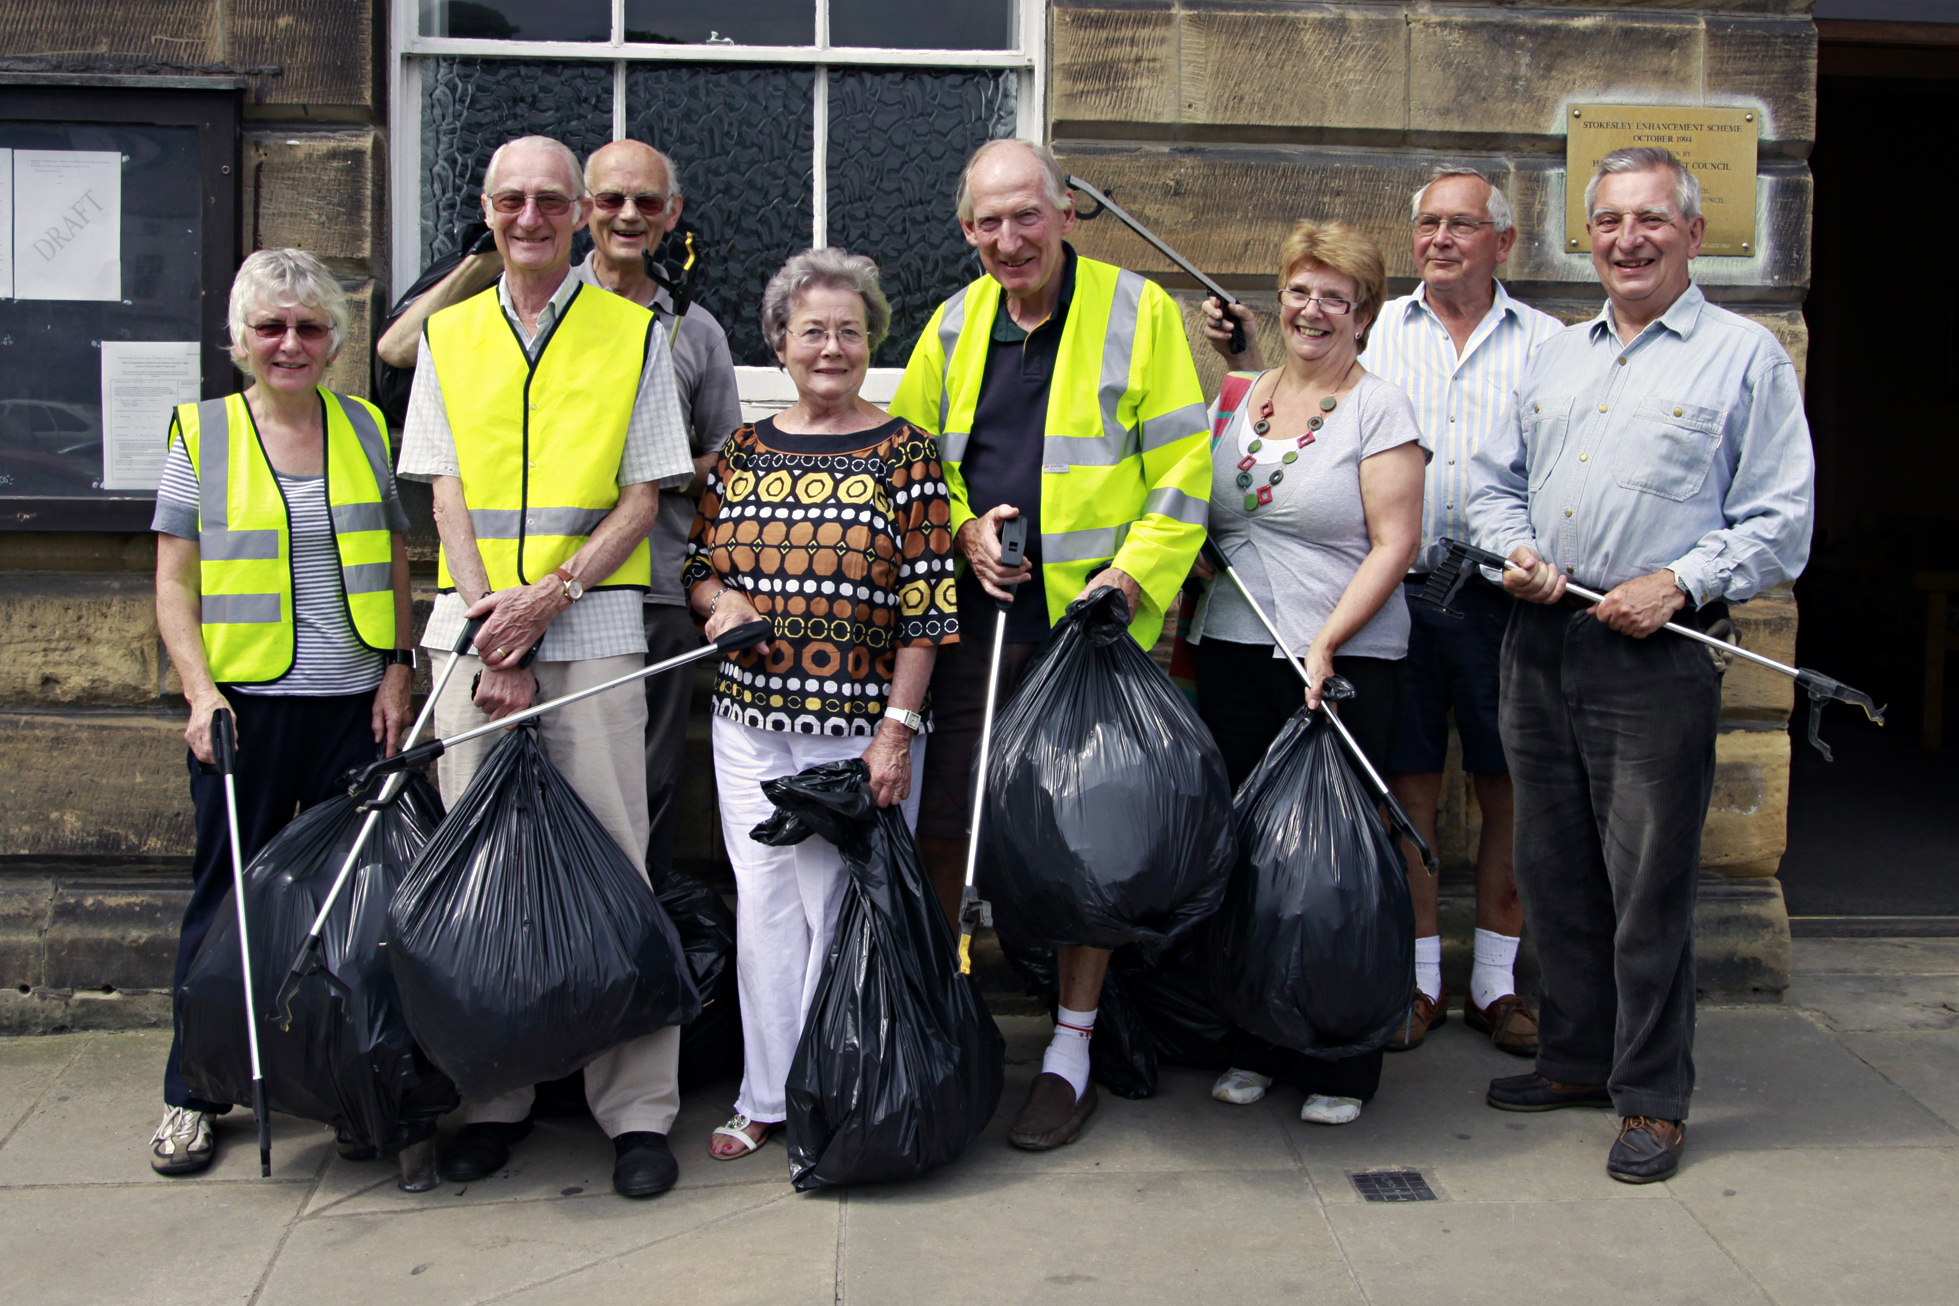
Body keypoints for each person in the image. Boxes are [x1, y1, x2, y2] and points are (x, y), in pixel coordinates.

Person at [1467, 147, 1813, 1183]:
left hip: (1654, 649)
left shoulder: (1744, 358)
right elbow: (1491, 487)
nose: (1628, 239)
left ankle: (1653, 1097)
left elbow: (1781, 520)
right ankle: (1577, 1058)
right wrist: (1513, 550)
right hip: (1540, 637)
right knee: (1553, 871)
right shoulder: (1555, 358)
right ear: (1589, 237)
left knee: (1648, 887)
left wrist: (1678, 581)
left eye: (1650, 219)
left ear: (1693, 234)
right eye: (1610, 221)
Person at [889, 138, 1211, 1151]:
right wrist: (961, 528)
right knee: (948, 826)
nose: (1008, 239)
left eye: (1026, 215)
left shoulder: (1138, 312)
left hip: (1093, 633)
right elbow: (911, 465)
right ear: (966, 230)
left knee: (1086, 847)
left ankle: (1070, 1052)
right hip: (973, 627)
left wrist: (1131, 578)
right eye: (987, 222)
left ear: (1066, 213)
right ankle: (950, 1021)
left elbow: (1182, 467)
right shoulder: (952, 323)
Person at [396, 134, 697, 1200]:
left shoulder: (633, 330)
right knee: (480, 873)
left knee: (617, 866)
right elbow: (445, 490)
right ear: (487, 211)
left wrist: (550, 599)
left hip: (593, 631)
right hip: (473, 636)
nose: (530, 218)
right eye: (511, 200)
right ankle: (495, 1096)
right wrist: (494, 622)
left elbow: (644, 497)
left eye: (550, 201)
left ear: (578, 213)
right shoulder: (448, 333)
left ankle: (637, 1109)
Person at [1210, 167, 1563, 1055]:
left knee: (1505, 785)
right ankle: (1415, 980)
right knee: (1402, 791)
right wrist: (1240, 350)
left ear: (1502, 242)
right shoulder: (1383, 327)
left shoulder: (1550, 344)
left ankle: (1496, 983)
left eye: (1462, 225)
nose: (1441, 239)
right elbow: (1294, 397)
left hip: (1497, 596)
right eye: (1428, 223)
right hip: (1388, 596)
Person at [683, 248, 959, 1161]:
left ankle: (832, 1090)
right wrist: (720, 602)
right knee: (763, 909)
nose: (831, 348)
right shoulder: (744, 450)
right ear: (779, 344)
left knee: (840, 912)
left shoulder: (906, 453)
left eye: (849, 331)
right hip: (747, 724)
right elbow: (698, 566)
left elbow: (927, 604)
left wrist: (896, 733)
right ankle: (765, 1093)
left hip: (857, 732)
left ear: (871, 341)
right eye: (811, 332)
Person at [148, 248, 415, 1174]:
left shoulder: (366, 425)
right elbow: (173, 583)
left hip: (352, 706)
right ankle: (193, 1093)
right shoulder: (202, 432)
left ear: (334, 340)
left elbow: (396, 558)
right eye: (271, 327)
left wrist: (396, 669)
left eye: (309, 327)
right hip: (247, 710)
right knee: (226, 898)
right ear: (242, 339)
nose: (290, 344)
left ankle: (343, 1085)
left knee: (353, 907)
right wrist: (199, 693)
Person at [1189, 220, 1425, 1125]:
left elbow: (1395, 543)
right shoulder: (1241, 394)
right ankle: (1254, 1037)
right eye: (1299, 291)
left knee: (1334, 867)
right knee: (1247, 856)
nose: (1313, 310)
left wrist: (1326, 640)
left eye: (1336, 297)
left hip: (1341, 662)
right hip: (1234, 649)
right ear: (1279, 300)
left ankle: (1341, 1056)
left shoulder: (1379, 408)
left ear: (1363, 314)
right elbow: (1208, 510)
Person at [574, 140, 743, 880]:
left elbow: (731, 457)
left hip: (659, 588)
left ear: (671, 213)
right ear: (583, 209)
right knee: (558, 767)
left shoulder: (695, 330)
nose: (628, 215)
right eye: (610, 199)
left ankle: (637, 925)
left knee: (649, 777)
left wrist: (655, 470)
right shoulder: (543, 310)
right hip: (552, 580)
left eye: (646, 201)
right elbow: (400, 349)